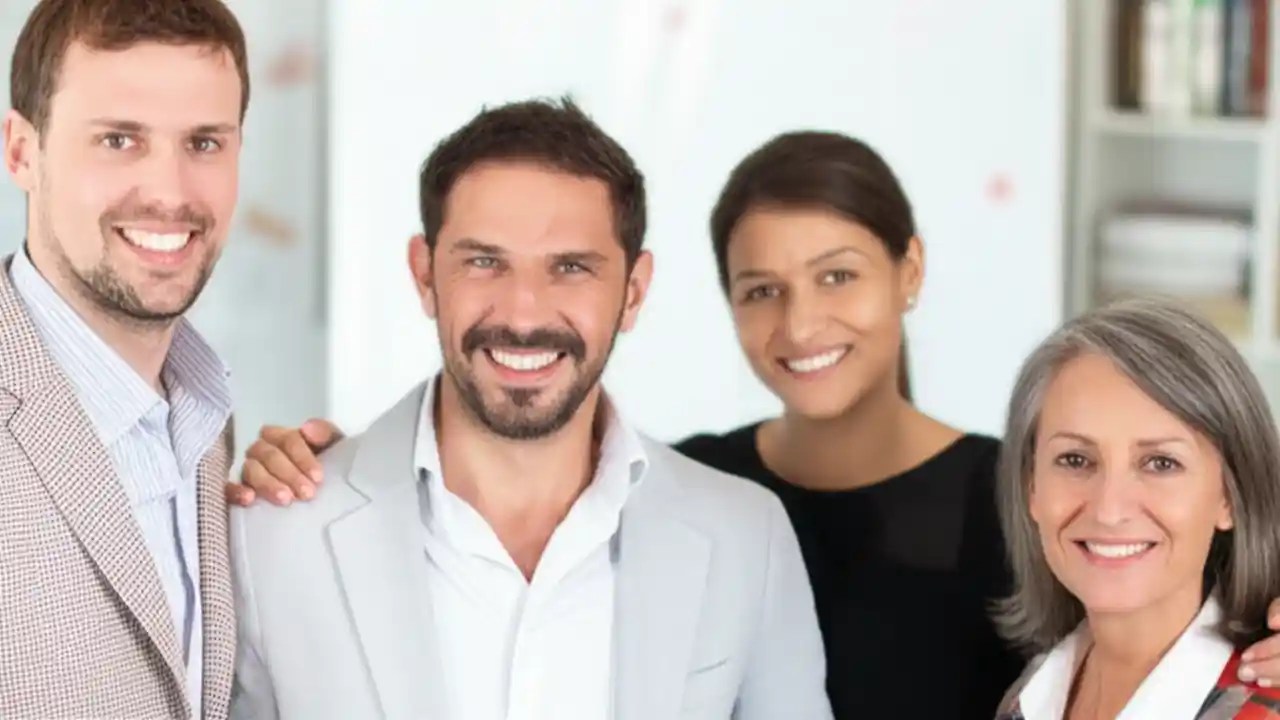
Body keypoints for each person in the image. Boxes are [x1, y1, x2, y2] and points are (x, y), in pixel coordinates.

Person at [232, 130, 1280, 718]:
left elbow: (1201, 566)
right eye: (760, 288)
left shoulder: (1020, 502)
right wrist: (315, 465)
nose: (802, 322)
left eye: (836, 276)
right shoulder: (708, 492)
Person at [226, 97, 832, 719]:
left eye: (571, 267)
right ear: (426, 275)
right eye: (484, 262)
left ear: (633, 292)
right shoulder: (267, 537)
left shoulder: (746, 538)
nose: (523, 314)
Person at [0, 1, 249, 718]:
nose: (170, 194)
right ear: (22, 151)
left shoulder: (205, 424)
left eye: (204, 144)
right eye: (118, 140)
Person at [992, 298, 1280, 718]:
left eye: (1161, 463)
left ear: (1230, 496)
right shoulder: (1028, 696)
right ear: (1031, 487)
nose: (1109, 510)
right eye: (1075, 459)